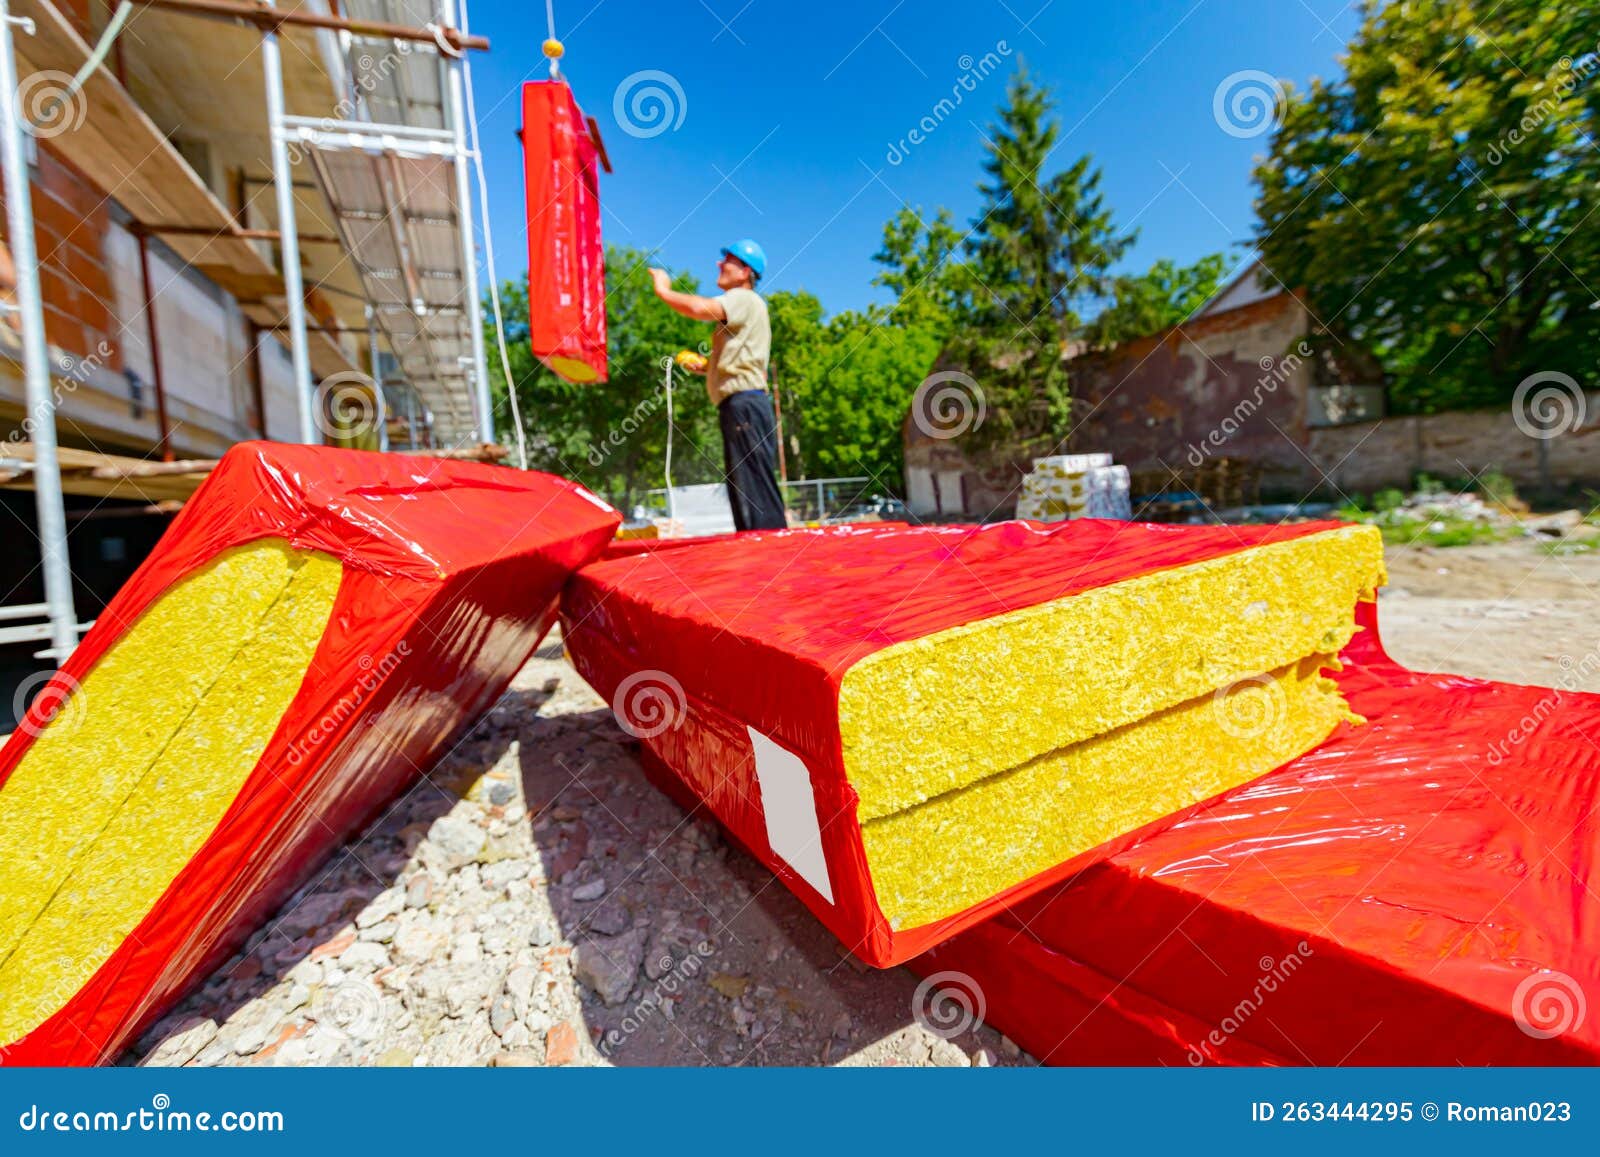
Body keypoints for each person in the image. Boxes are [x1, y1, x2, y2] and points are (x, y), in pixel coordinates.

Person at [648, 240, 788, 531]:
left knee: (753, 491)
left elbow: (699, 307)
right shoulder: (747, 305)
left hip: (744, 405)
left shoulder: (743, 298)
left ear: (745, 272)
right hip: (743, 405)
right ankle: (764, 546)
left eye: (728, 260)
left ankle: (769, 549)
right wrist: (707, 366)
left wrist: (663, 291)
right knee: (748, 488)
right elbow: (738, 359)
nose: (719, 264)